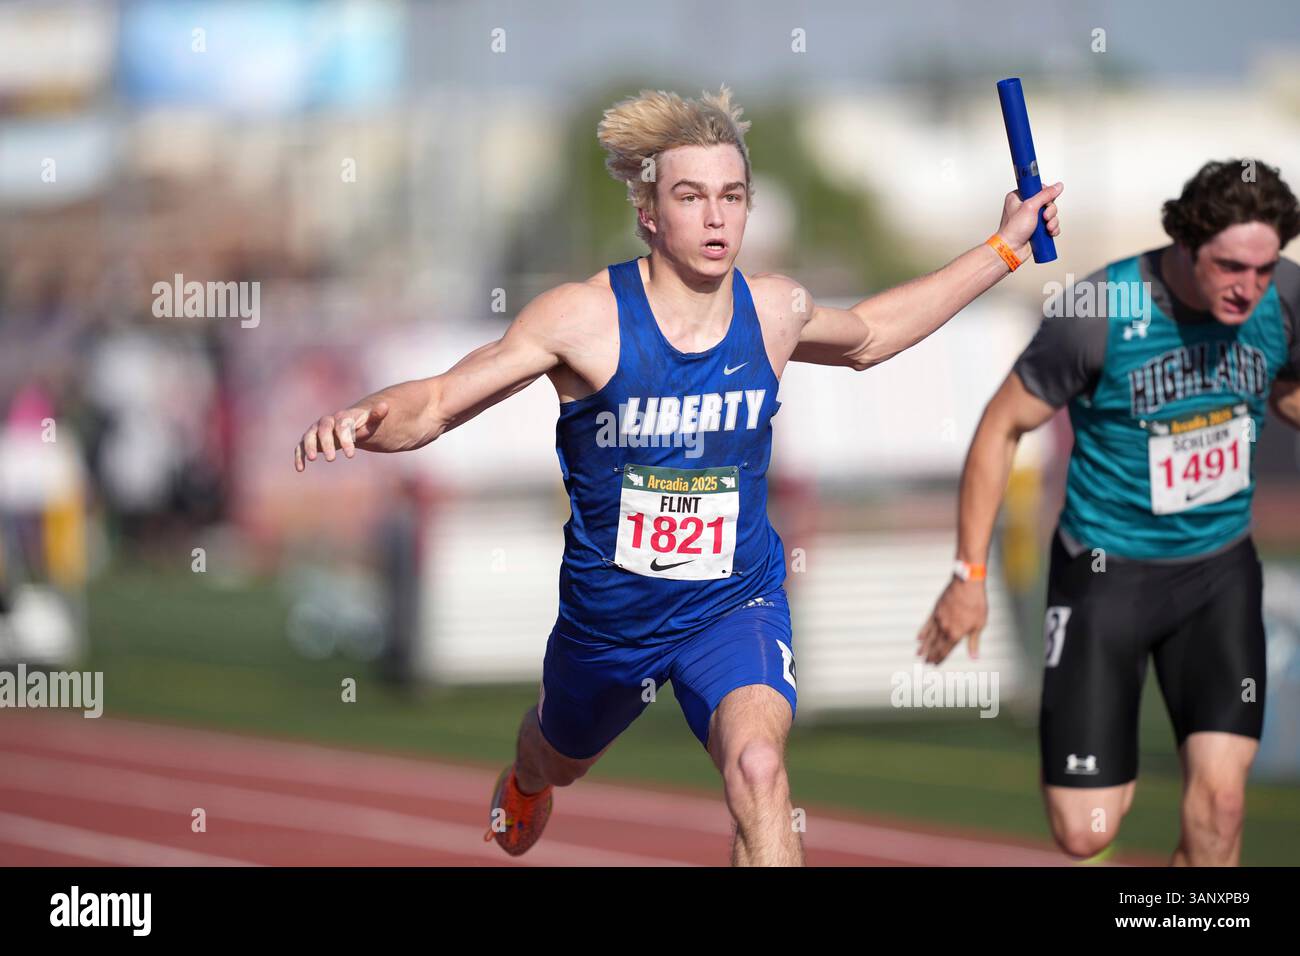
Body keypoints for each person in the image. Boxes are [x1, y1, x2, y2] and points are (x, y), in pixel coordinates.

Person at [295, 86, 1062, 866]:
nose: (717, 217)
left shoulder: (773, 311)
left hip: (734, 603)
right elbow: (439, 402)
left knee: (759, 771)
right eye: (691, 197)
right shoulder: (583, 320)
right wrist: (365, 416)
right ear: (650, 214)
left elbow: (872, 335)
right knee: (556, 757)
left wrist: (1003, 247)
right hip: (609, 622)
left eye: (732, 197)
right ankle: (529, 778)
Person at [918, 158, 1300, 866]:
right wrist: (968, 574)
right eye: (1228, 268)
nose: (1248, 288)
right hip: (1105, 575)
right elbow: (1001, 427)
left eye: (1264, 267)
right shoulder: (1100, 312)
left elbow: (1285, 388)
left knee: (1220, 802)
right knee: (1085, 829)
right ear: (1187, 244)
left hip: (1218, 572)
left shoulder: (1284, 299)